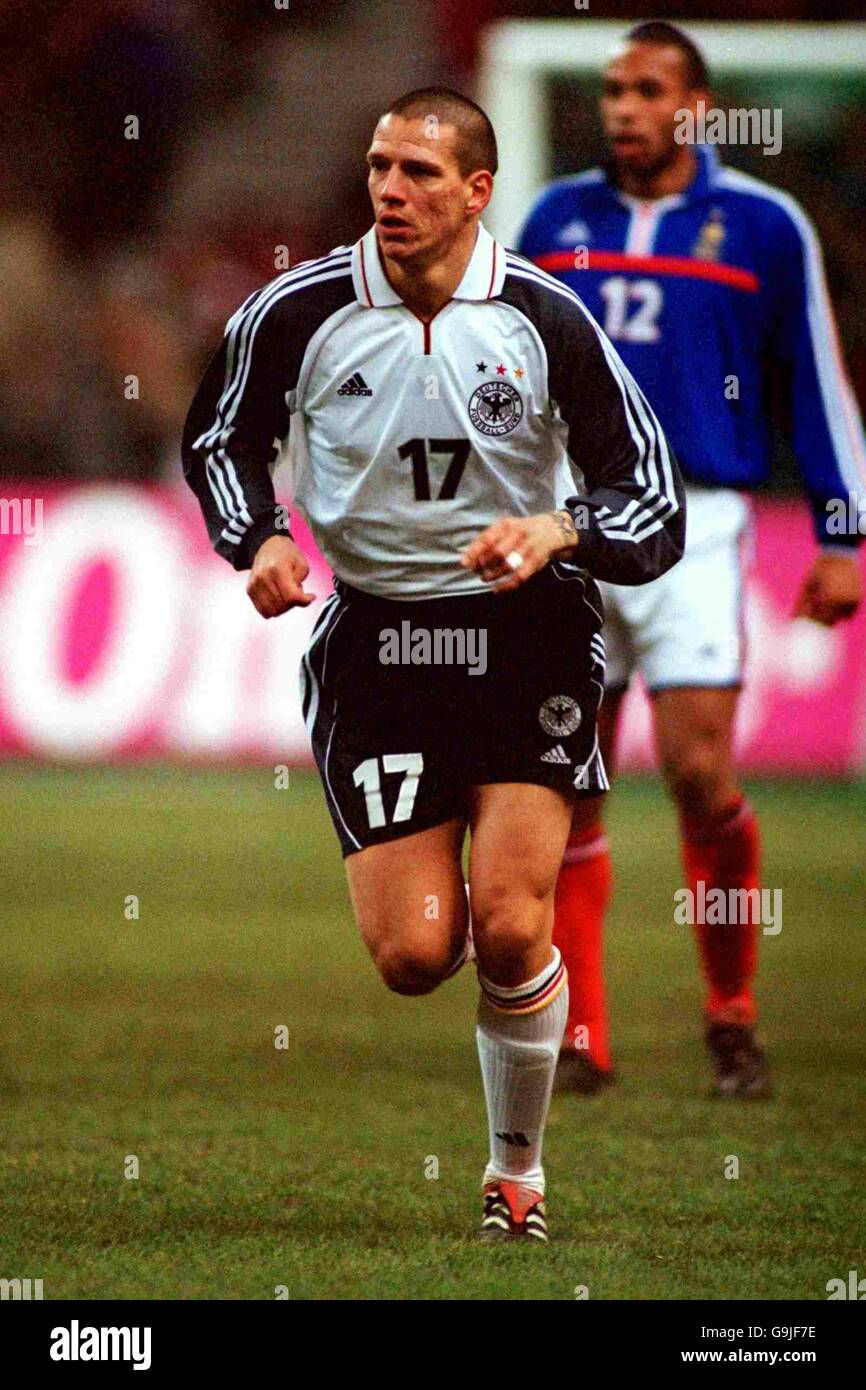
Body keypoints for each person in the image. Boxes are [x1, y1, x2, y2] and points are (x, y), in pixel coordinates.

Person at [182, 87, 684, 1238]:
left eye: (417, 172)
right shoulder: (297, 310)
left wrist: (558, 529)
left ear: (475, 190)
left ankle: (516, 1174)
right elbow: (219, 439)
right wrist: (257, 539)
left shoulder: (544, 318)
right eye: (378, 167)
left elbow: (647, 497)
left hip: (526, 634)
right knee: (415, 953)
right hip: (378, 644)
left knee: (509, 922)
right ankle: (491, 1003)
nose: (389, 191)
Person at [517, 22, 865, 1099]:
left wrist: (842, 533)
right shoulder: (554, 219)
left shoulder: (761, 225)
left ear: (698, 107)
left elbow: (812, 377)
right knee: (568, 785)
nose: (623, 107)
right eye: (613, 89)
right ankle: (582, 1036)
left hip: (696, 524)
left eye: (646, 89)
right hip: (569, 524)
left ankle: (730, 1015)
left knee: (700, 775)